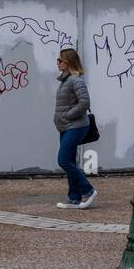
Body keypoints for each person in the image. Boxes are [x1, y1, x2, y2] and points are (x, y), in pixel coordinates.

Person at [54, 49, 97, 209]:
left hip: (76, 126)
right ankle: (74, 198)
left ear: (68, 62)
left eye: (60, 60)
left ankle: (88, 190)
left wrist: (68, 116)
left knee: (63, 160)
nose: (57, 62)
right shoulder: (65, 81)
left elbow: (84, 102)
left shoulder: (75, 81)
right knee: (70, 160)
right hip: (66, 127)